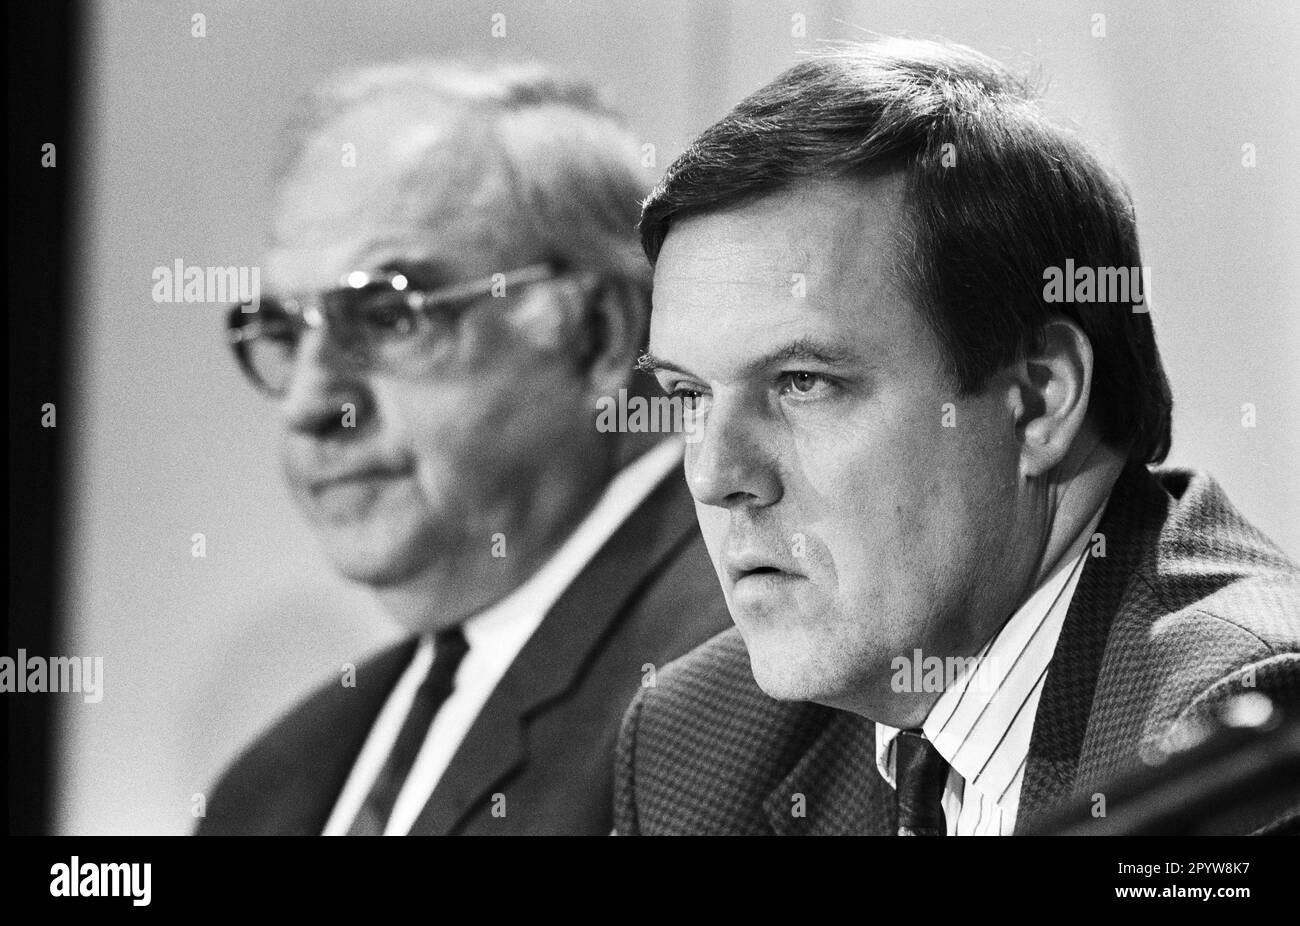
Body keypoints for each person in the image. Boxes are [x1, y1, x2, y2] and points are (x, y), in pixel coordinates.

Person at [615, 38, 1300, 835]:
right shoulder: (696, 741)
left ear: (1040, 400)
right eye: (689, 393)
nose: (716, 474)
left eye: (803, 384)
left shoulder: (1240, 750)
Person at [197, 61, 729, 835]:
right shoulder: (271, 785)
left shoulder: (744, 676)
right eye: (284, 331)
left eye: (389, 317)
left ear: (600, 336)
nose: (313, 405)